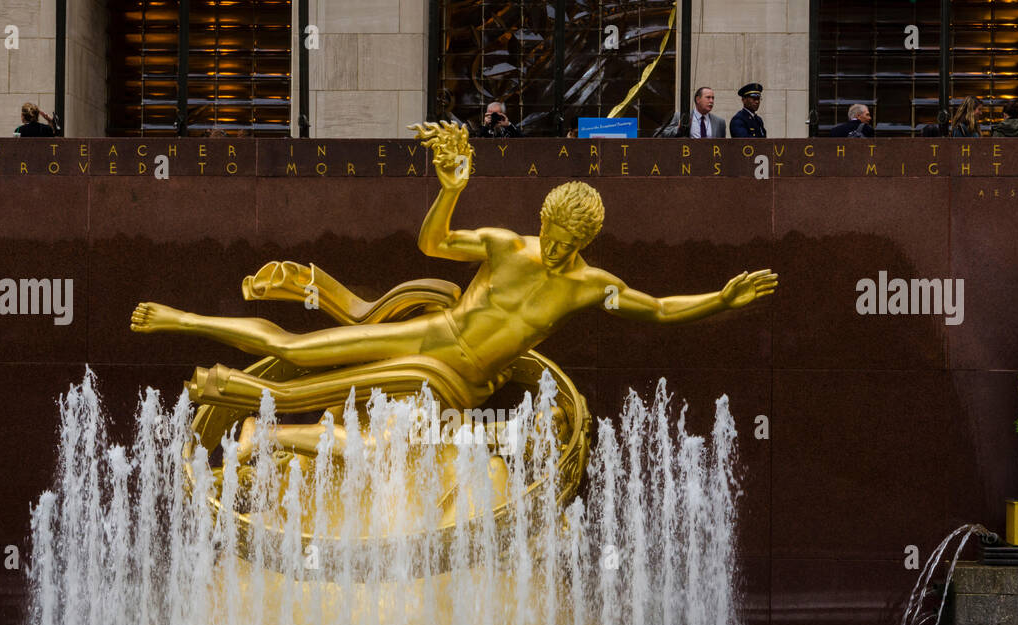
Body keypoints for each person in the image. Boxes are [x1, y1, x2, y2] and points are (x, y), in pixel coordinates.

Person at [130, 121, 777, 417]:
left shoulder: (590, 287)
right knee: (298, 351)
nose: (553, 252)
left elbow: (658, 309)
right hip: (433, 337)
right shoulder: (506, 246)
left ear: (586, 241)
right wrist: (451, 189)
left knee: (323, 391)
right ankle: (180, 318)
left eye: (566, 245)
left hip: (465, 381)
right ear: (543, 223)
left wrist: (721, 299)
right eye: (550, 238)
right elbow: (434, 243)